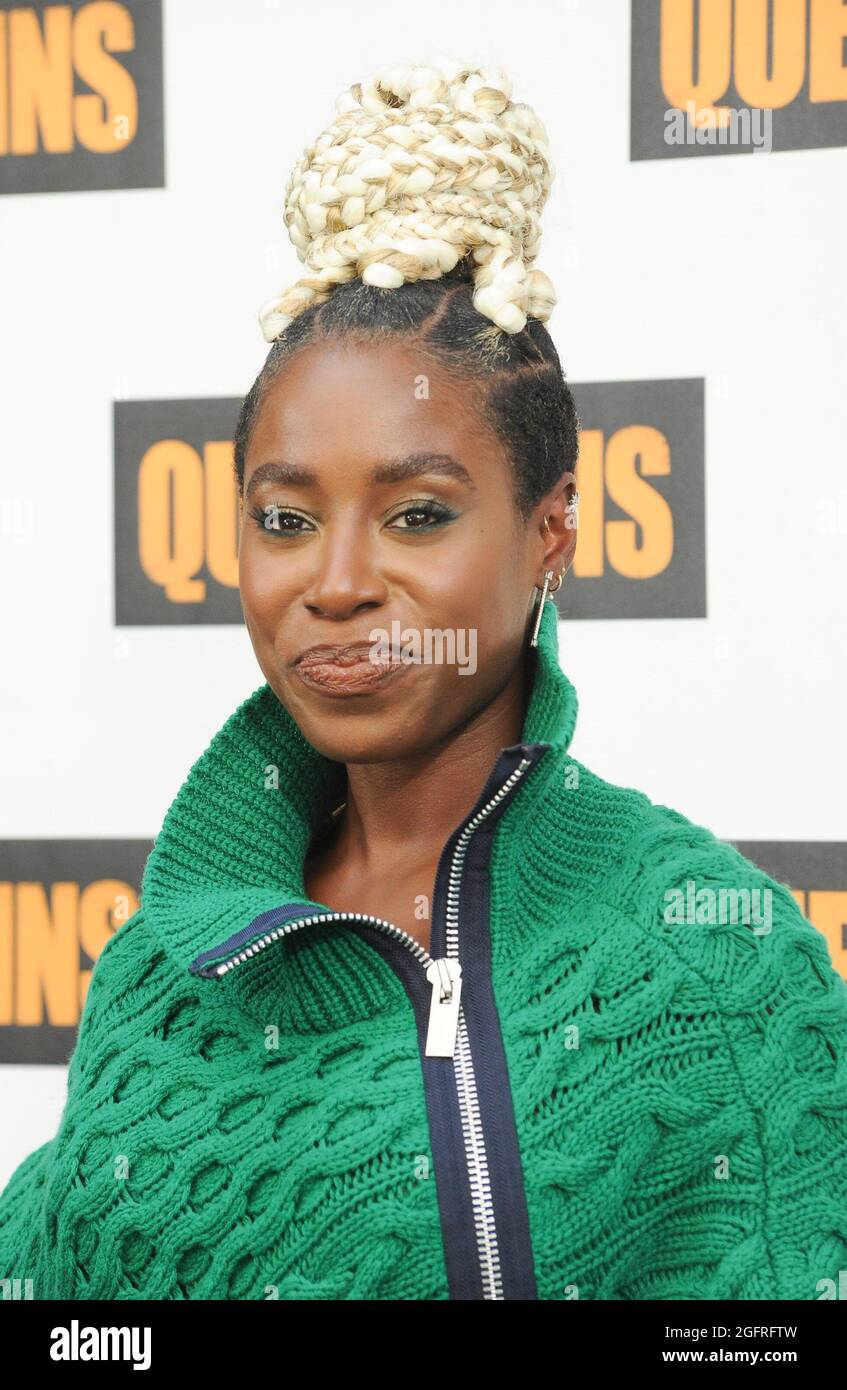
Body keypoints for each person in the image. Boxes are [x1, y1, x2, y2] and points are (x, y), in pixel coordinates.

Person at [1, 56, 845, 1303]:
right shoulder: (160, 986)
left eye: (415, 513)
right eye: (285, 522)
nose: (334, 583)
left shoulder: (721, 960)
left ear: (550, 530)